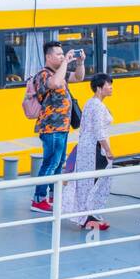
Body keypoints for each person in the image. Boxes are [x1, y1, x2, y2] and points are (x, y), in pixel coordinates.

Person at [30, 41, 86, 213]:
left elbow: (78, 77)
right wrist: (65, 63)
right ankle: (39, 199)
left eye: (63, 54)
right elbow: (54, 83)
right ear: (48, 57)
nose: (62, 57)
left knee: (59, 162)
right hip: (51, 128)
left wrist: (80, 63)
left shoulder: (59, 73)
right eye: (59, 54)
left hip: (62, 127)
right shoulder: (43, 75)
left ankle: (54, 195)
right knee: (50, 163)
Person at [62, 73, 115, 231]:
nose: (111, 88)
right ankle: (89, 218)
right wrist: (108, 150)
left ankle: (88, 217)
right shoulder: (97, 106)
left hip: (87, 147)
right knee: (96, 182)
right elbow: (99, 131)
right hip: (95, 149)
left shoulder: (91, 103)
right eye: (108, 85)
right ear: (99, 88)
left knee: (88, 182)